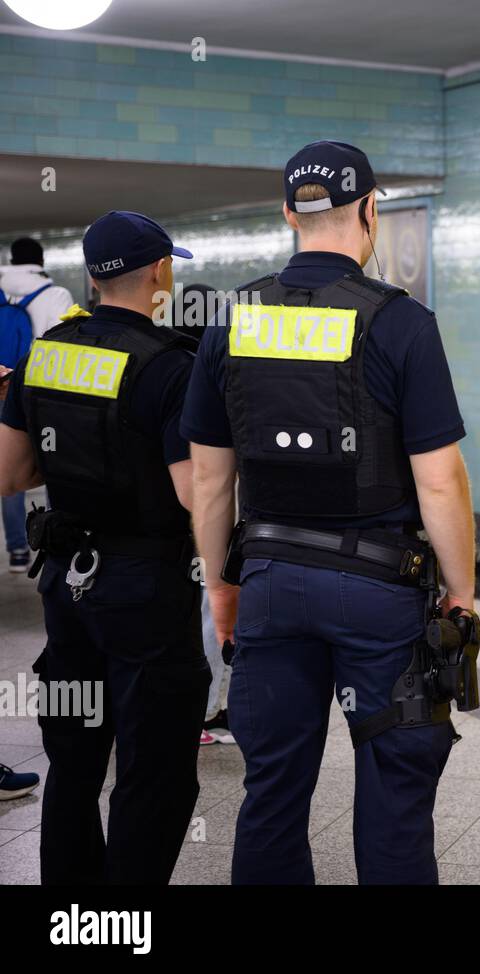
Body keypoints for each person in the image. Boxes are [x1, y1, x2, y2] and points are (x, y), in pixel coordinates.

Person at [182, 140, 479, 885]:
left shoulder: (233, 315)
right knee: (395, 793)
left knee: (272, 794)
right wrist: (462, 593)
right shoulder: (402, 322)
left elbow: (212, 480)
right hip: (378, 590)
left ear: (289, 213)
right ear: (372, 210)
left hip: (272, 585)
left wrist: (222, 588)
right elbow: (440, 480)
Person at [0, 211, 210, 884]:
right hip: (147, 588)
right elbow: (190, 495)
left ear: (92, 277)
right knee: (154, 773)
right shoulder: (170, 366)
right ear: (160, 273)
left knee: (74, 762)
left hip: (67, 582)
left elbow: (10, 474)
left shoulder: (47, 352)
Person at [1, 238, 75, 573]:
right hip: (33, 391)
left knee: (6, 465)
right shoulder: (56, 295)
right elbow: (60, 349)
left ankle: (17, 548)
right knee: (48, 462)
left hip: (0, 383)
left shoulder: (1, 289)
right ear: (41, 259)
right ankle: (39, 541)